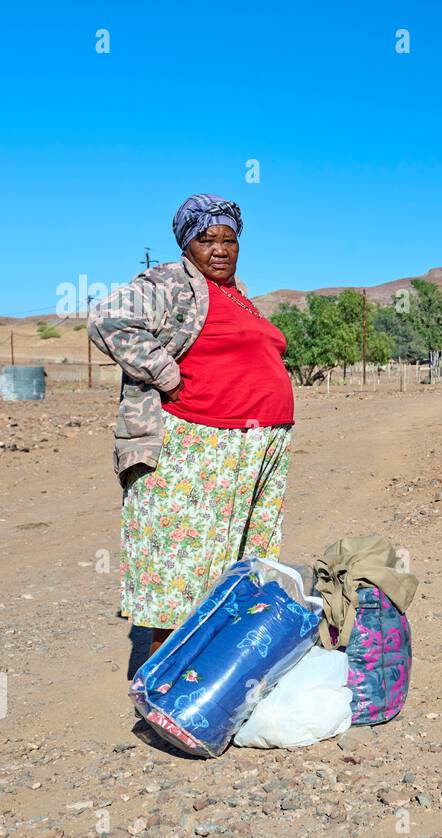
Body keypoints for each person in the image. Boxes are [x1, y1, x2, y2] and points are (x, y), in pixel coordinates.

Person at [89, 194, 295, 663]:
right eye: (207, 239)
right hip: (199, 441)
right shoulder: (171, 282)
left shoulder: (237, 294)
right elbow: (107, 319)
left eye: (229, 240)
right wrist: (166, 373)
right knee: (180, 566)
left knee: (241, 558)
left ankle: (219, 674)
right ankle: (167, 683)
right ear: (187, 244)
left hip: (258, 442)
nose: (220, 249)